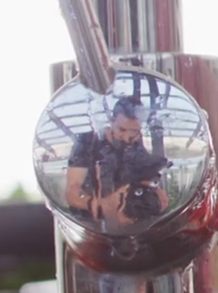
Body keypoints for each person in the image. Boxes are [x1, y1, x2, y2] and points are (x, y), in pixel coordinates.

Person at [65, 96, 170, 229]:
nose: (127, 138)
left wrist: (154, 196)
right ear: (111, 121)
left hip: (129, 224)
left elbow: (145, 178)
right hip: (89, 226)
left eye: (134, 131)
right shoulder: (87, 142)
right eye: (121, 130)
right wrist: (101, 205)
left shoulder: (136, 145)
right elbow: (72, 191)